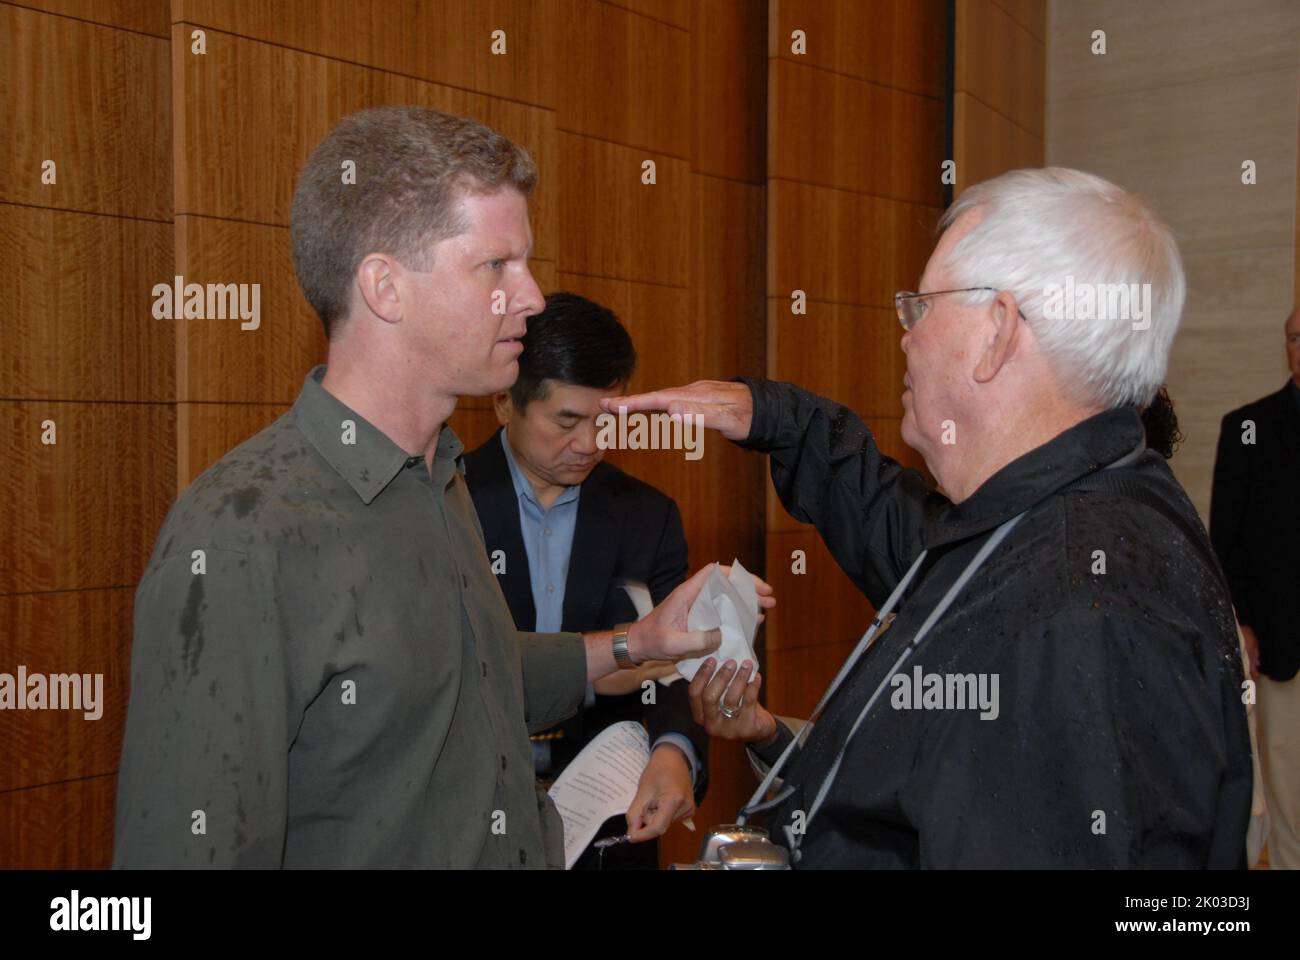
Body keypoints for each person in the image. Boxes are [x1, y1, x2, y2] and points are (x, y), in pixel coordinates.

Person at [111, 105, 772, 868]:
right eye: (496, 267)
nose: (529, 297)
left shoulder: (439, 479)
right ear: (386, 288)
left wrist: (635, 642)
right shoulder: (241, 535)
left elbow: (468, 677)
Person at [610, 168, 1253, 867]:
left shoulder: (1084, 609)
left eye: (920, 308)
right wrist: (778, 419)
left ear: (998, 332)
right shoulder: (1052, 512)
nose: (905, 338)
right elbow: (915, 545)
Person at [465, 291, 708, 869]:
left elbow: (669, 670)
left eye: (606, 421)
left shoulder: (647, 516)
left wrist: (675, 752)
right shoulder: (447, 502)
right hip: (472, 821)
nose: (590, 445)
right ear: (505, 402)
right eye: (566, 421)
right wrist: (605, 665)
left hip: (606, 830)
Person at [1211, 306, 1300, 869]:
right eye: (1296, 337)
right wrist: (1240, 621)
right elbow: (1224, 542)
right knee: (1288, 786)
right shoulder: (1249, 428)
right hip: (1282, 643)